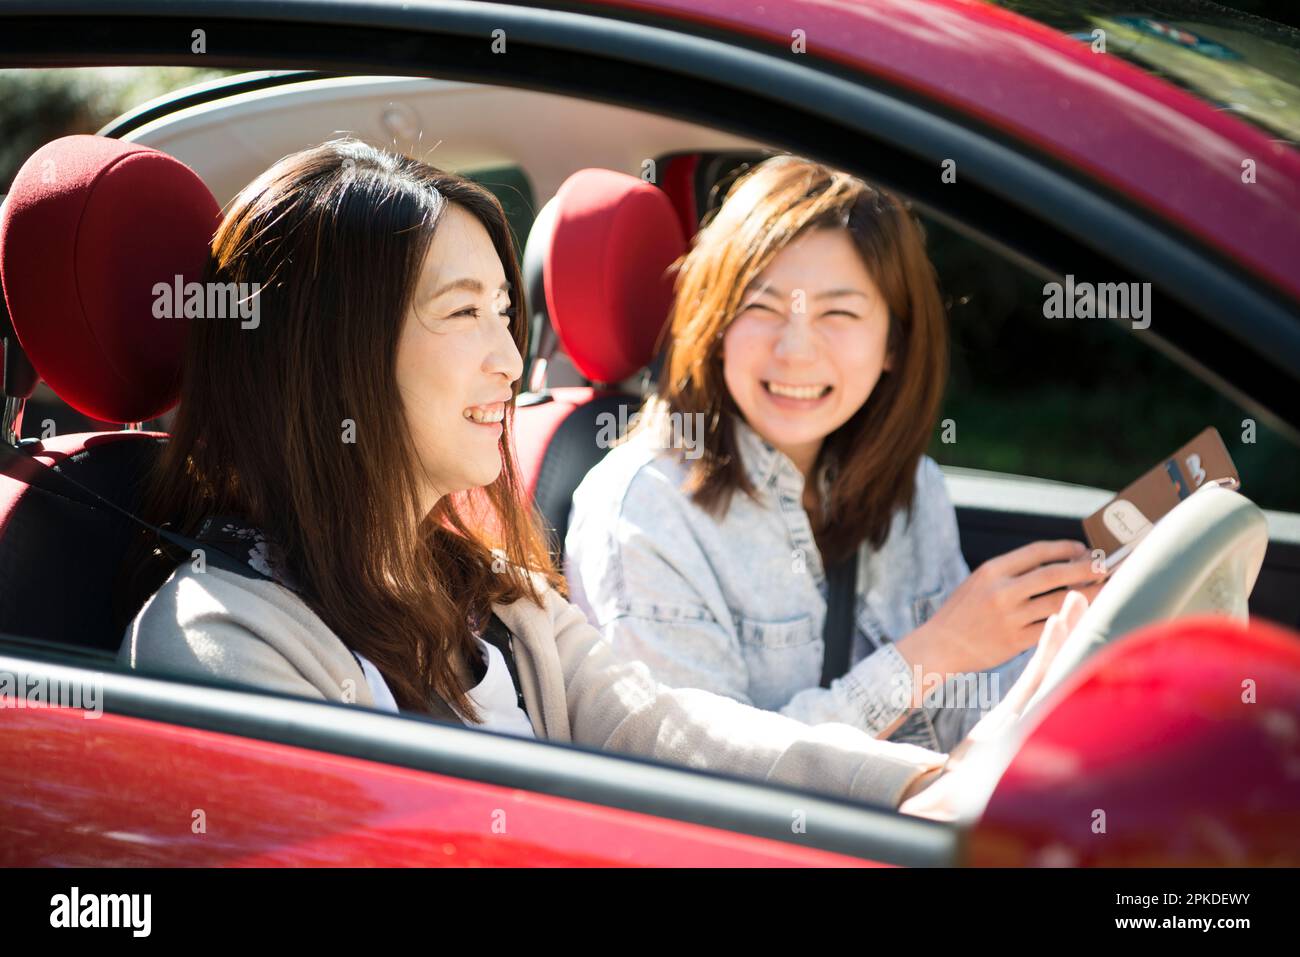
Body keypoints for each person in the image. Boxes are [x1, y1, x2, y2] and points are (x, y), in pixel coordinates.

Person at [116, 139, 1087, 818]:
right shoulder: (222, 644)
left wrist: (921, 788)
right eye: (464, 315)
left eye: (507, 313)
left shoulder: (483, 589)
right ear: (330, 361)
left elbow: (667, 726)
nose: (509, 360)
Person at [565, 154, 1107, 753]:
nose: (795, 349)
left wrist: (1075, 641)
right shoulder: (643, 510)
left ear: (894, 345)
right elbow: (703, 777)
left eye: (838, 313)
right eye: (761, 307)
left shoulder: (912, 487)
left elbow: (959, 722)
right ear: (716, 326)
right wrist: (938, 650)